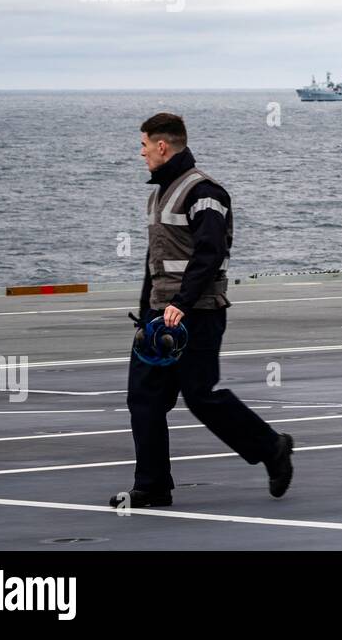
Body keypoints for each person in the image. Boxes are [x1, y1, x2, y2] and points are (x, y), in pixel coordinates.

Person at [110, 113, 294, 508]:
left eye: (144, 145)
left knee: (200, 396)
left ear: (162, 146)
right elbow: (156, 260)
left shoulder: (204, 192)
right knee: (143, 399)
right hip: (161, 318)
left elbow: (210, 254)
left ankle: (272, 448)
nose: (140, 153)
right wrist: (147, 313)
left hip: (198, 314)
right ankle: (153, 485)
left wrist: (181, 304)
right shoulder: (159, 192)